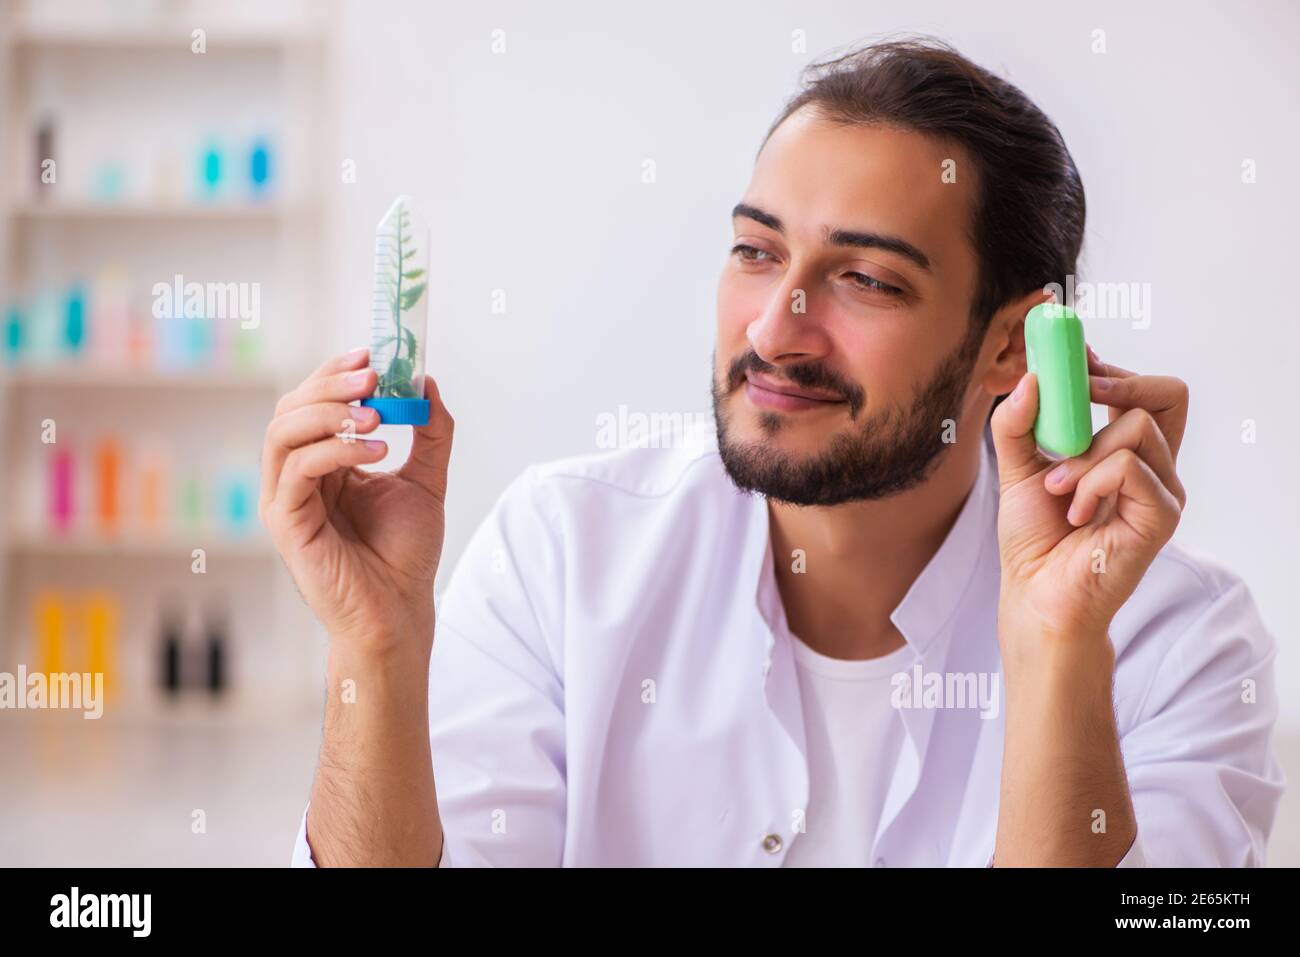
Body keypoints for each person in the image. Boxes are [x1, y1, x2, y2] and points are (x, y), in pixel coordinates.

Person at [263, 37, 1283, 867]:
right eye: (757, 252)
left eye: (867, 280)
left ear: (1010, 346)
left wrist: (1060, 647)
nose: (774, 330)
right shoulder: (561, 553)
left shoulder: (1172, 645)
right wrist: (377, 649)